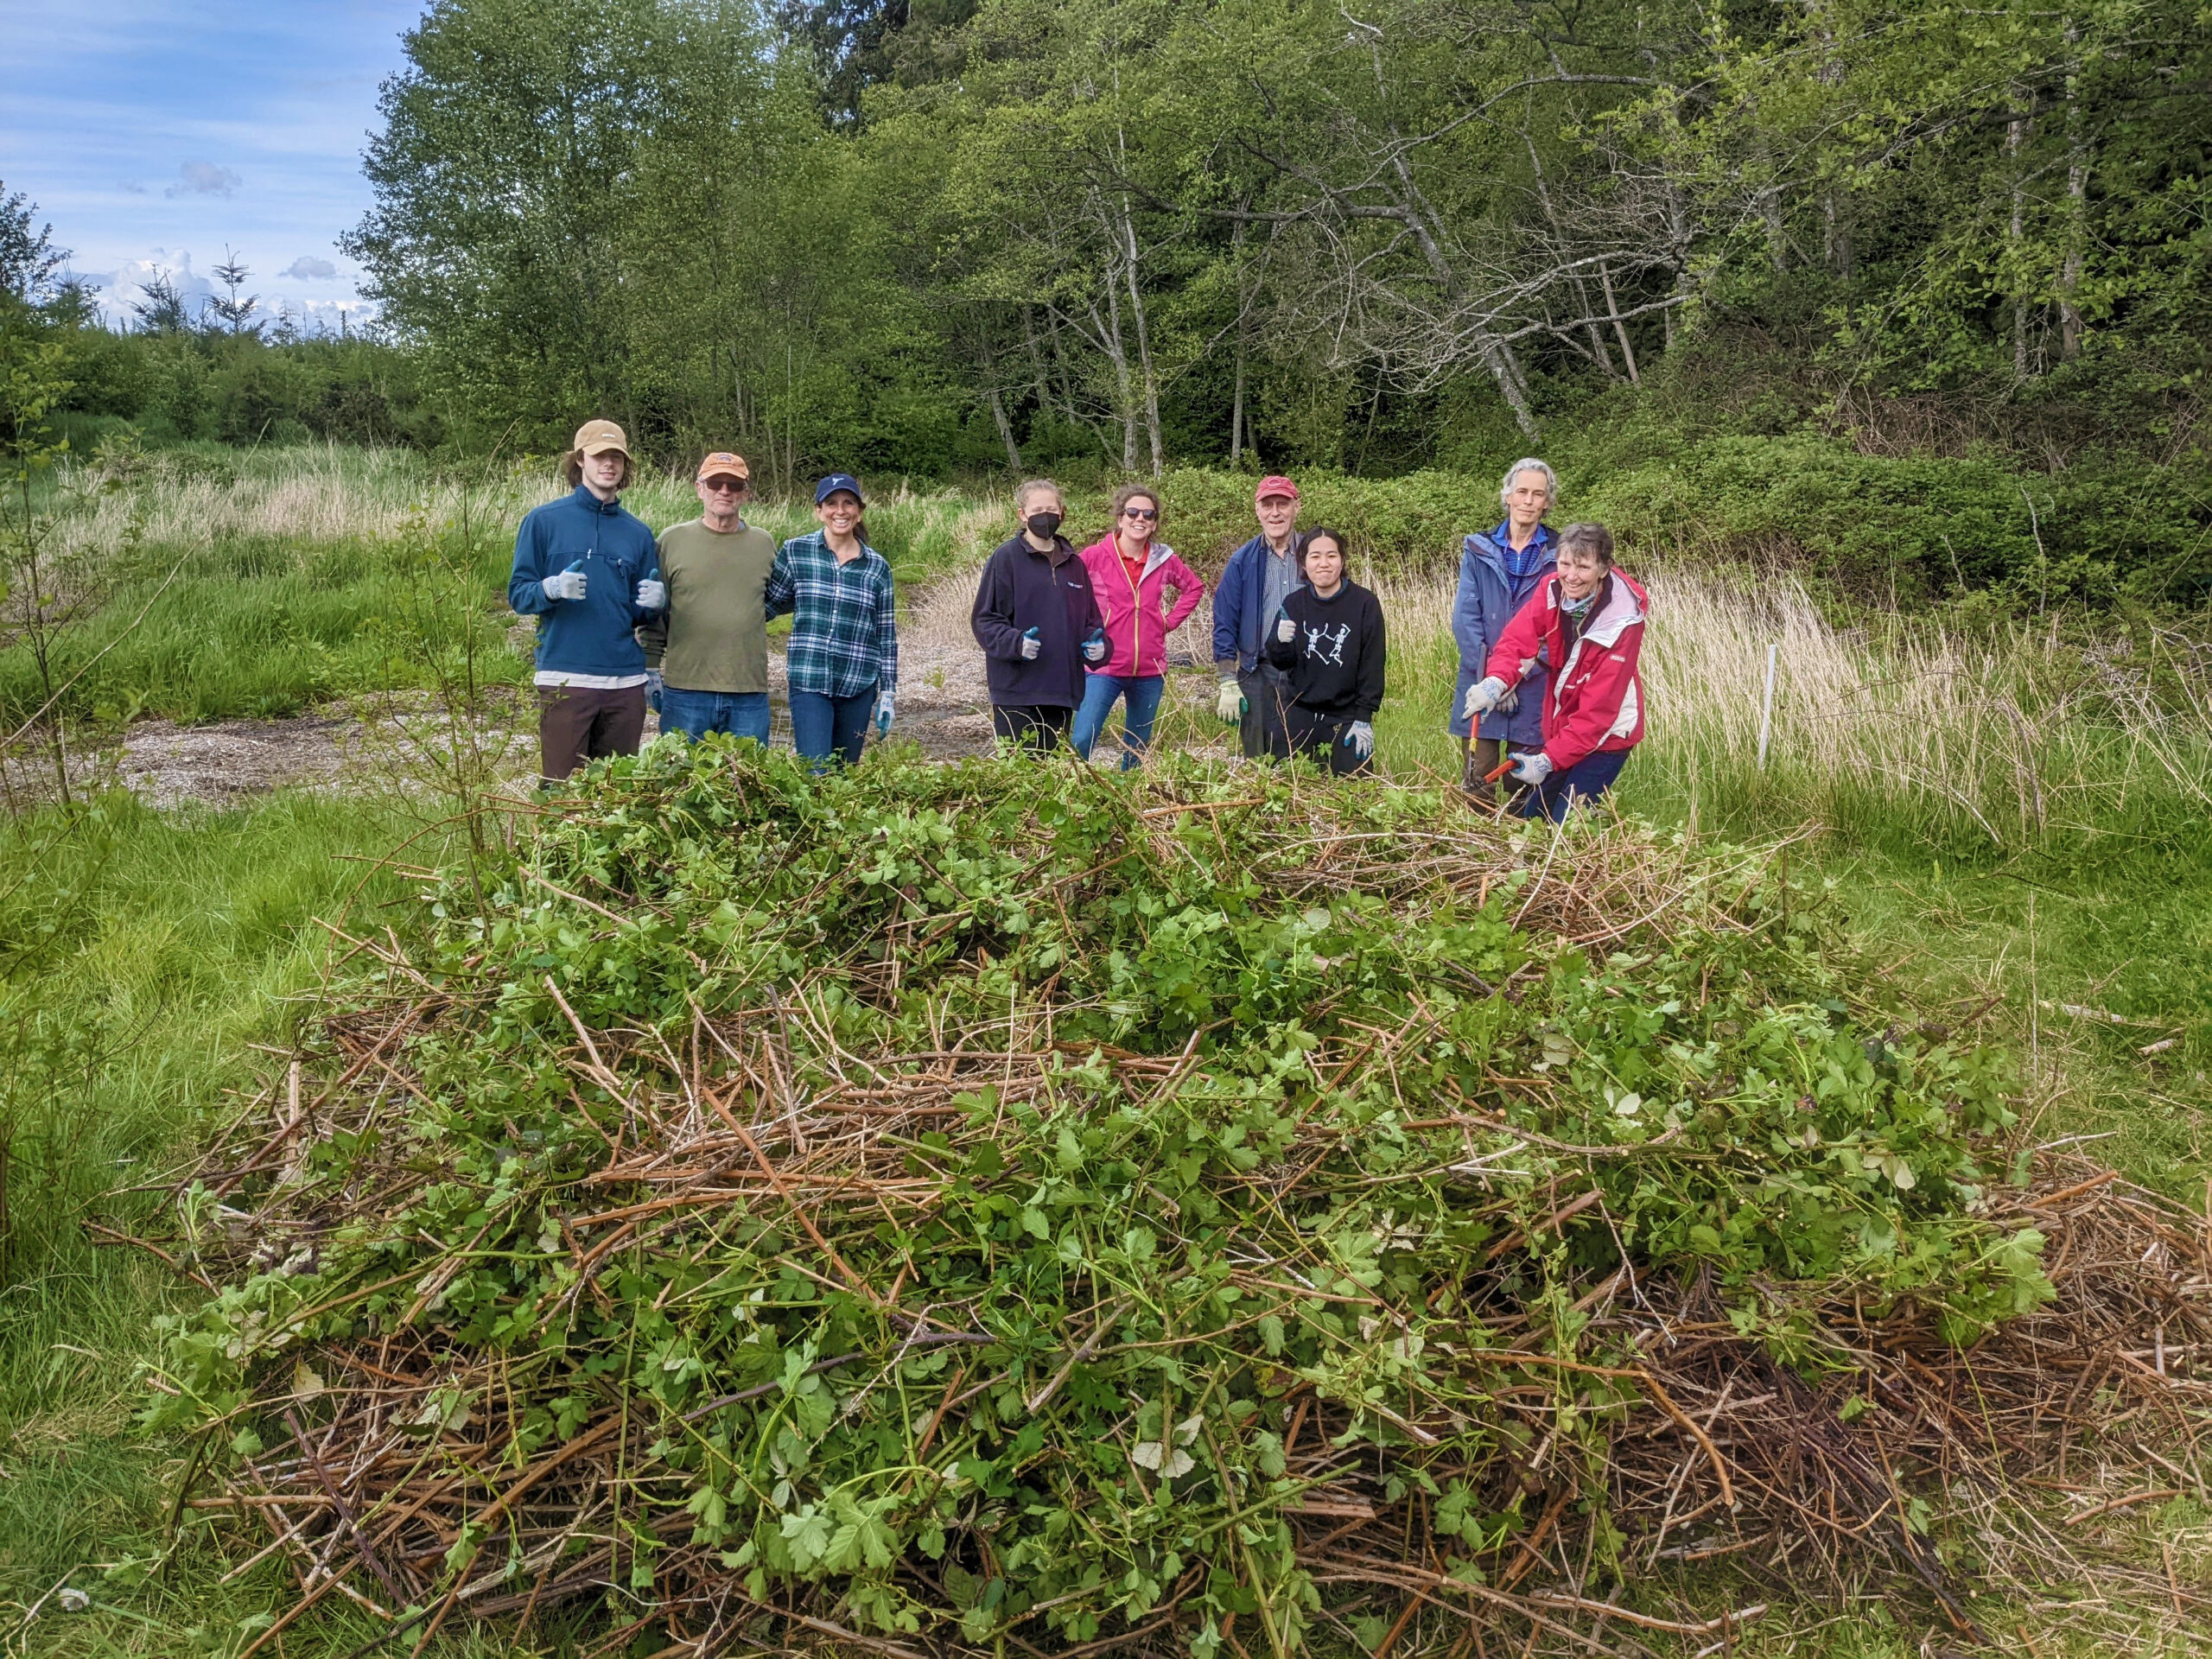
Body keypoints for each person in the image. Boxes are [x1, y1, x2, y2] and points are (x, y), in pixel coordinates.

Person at [507, 419, 665, 785]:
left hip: (625, 685)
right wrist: (551, 588)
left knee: (616, 797)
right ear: (580, 460)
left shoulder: (638, 533)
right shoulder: (543, 521)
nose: (608, 464)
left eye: (617, 457)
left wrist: (655, 604)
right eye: (599, 456)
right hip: (566, 678)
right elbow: (519, 594)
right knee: (561, 792)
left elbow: (638, 612)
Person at [1466, 522, 1646, 822]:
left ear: (1604, 569)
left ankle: (1585, 859)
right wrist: (1496, 681)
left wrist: (1548, 760)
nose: (1571, 577)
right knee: (1535, 817)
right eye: (1564, 564)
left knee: (1567, 821)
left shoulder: (1624, 620)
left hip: (1608, 735)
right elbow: (1517, 640)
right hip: (1565, 725)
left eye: (1583, 567)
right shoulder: (1551, 589)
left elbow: (1599, 712)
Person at [640, 452, 777, 746]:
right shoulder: (671, 540)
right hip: (685, 690)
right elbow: (656, 612)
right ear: (699, 488)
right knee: (680, 783)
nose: (725, 491)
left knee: (749, 786)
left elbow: (771, 602)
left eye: (734, 485)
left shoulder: (764, 544)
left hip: (748, 693)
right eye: (716, 483)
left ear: (746, 494)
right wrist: (650, 668)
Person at [766, 474, 899, 769]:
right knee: (815, 771)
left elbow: (886, 635)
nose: (840, 511)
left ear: (860, 511)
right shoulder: (795, 552)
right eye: (831, 503)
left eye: (848, 503)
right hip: (809, 679)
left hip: (858, 683)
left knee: (845, 773)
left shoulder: (877, 567)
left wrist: (888, 692)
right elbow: (767, 606)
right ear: (818, 510)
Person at [1073, 486, 1206, 769]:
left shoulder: (1164, 559)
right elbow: (1067, 593)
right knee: (1083, 737)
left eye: (1148, 514)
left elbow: (1194, 588)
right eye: (1132, 512)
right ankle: (1073, 793)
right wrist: (1084, 632)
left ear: (1155, 523)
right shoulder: (1094, 556)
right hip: (1103, 666)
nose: (1140, 518)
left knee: (1137, 747)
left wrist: (1168, 622)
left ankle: (1129, 800)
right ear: (1120, 518)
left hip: (1149, 669)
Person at [970, 478, 1105, 752]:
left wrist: (1100, 646)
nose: (1046, 517)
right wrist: (1016, 642)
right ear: (1022, 515)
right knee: (1020, 777)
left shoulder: (1075, 565)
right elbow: (985, 619)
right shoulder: (1005, 559)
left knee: (1051, 776)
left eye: (1052, 510)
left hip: (1061, 690)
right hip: (1016, 690)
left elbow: (1091, 622)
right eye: (1037, 510)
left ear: (1062, 512)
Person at [1452, 459, 1559, 802]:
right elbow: (1465, 618)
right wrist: (1492, 681)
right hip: (1481, 679)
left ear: (1547, 502)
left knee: (1522, 783)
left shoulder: (1561, 554)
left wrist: (1512, 678)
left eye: (1537, 494)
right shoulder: (1477, 548)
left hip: (1533, 685)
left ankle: (1519, 852)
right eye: (1522, 491)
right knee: (1478, 778)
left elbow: (1557, 628)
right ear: (1508, 496)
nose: (1528, 500)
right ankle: (1475, 851)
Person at [1261, 529, 1386, 775]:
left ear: (1342, 560)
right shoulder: (1293, 604)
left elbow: (1373, 664)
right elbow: (1281, 662)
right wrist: (1279, 643)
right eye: (1315, 557)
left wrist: (1364, 716)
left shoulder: (1365, 604)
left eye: (1331, 556)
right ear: (1304, 563)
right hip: (1298, 709)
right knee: (1285, 781)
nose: (1324, 564)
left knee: (1355, 789)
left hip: (1346, 715)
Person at [1212, 475, 1305, 759]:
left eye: (1282, 504)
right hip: (1257, 670)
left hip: (1306, 670)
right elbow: (1224, 620)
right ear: (1257, 510)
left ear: (1296, 507)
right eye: (1268, 505)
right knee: (1258, 757)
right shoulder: (1242, 561)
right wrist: (1227, 679)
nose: (1275, 512)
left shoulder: (1314, 555)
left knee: (1303, 754)